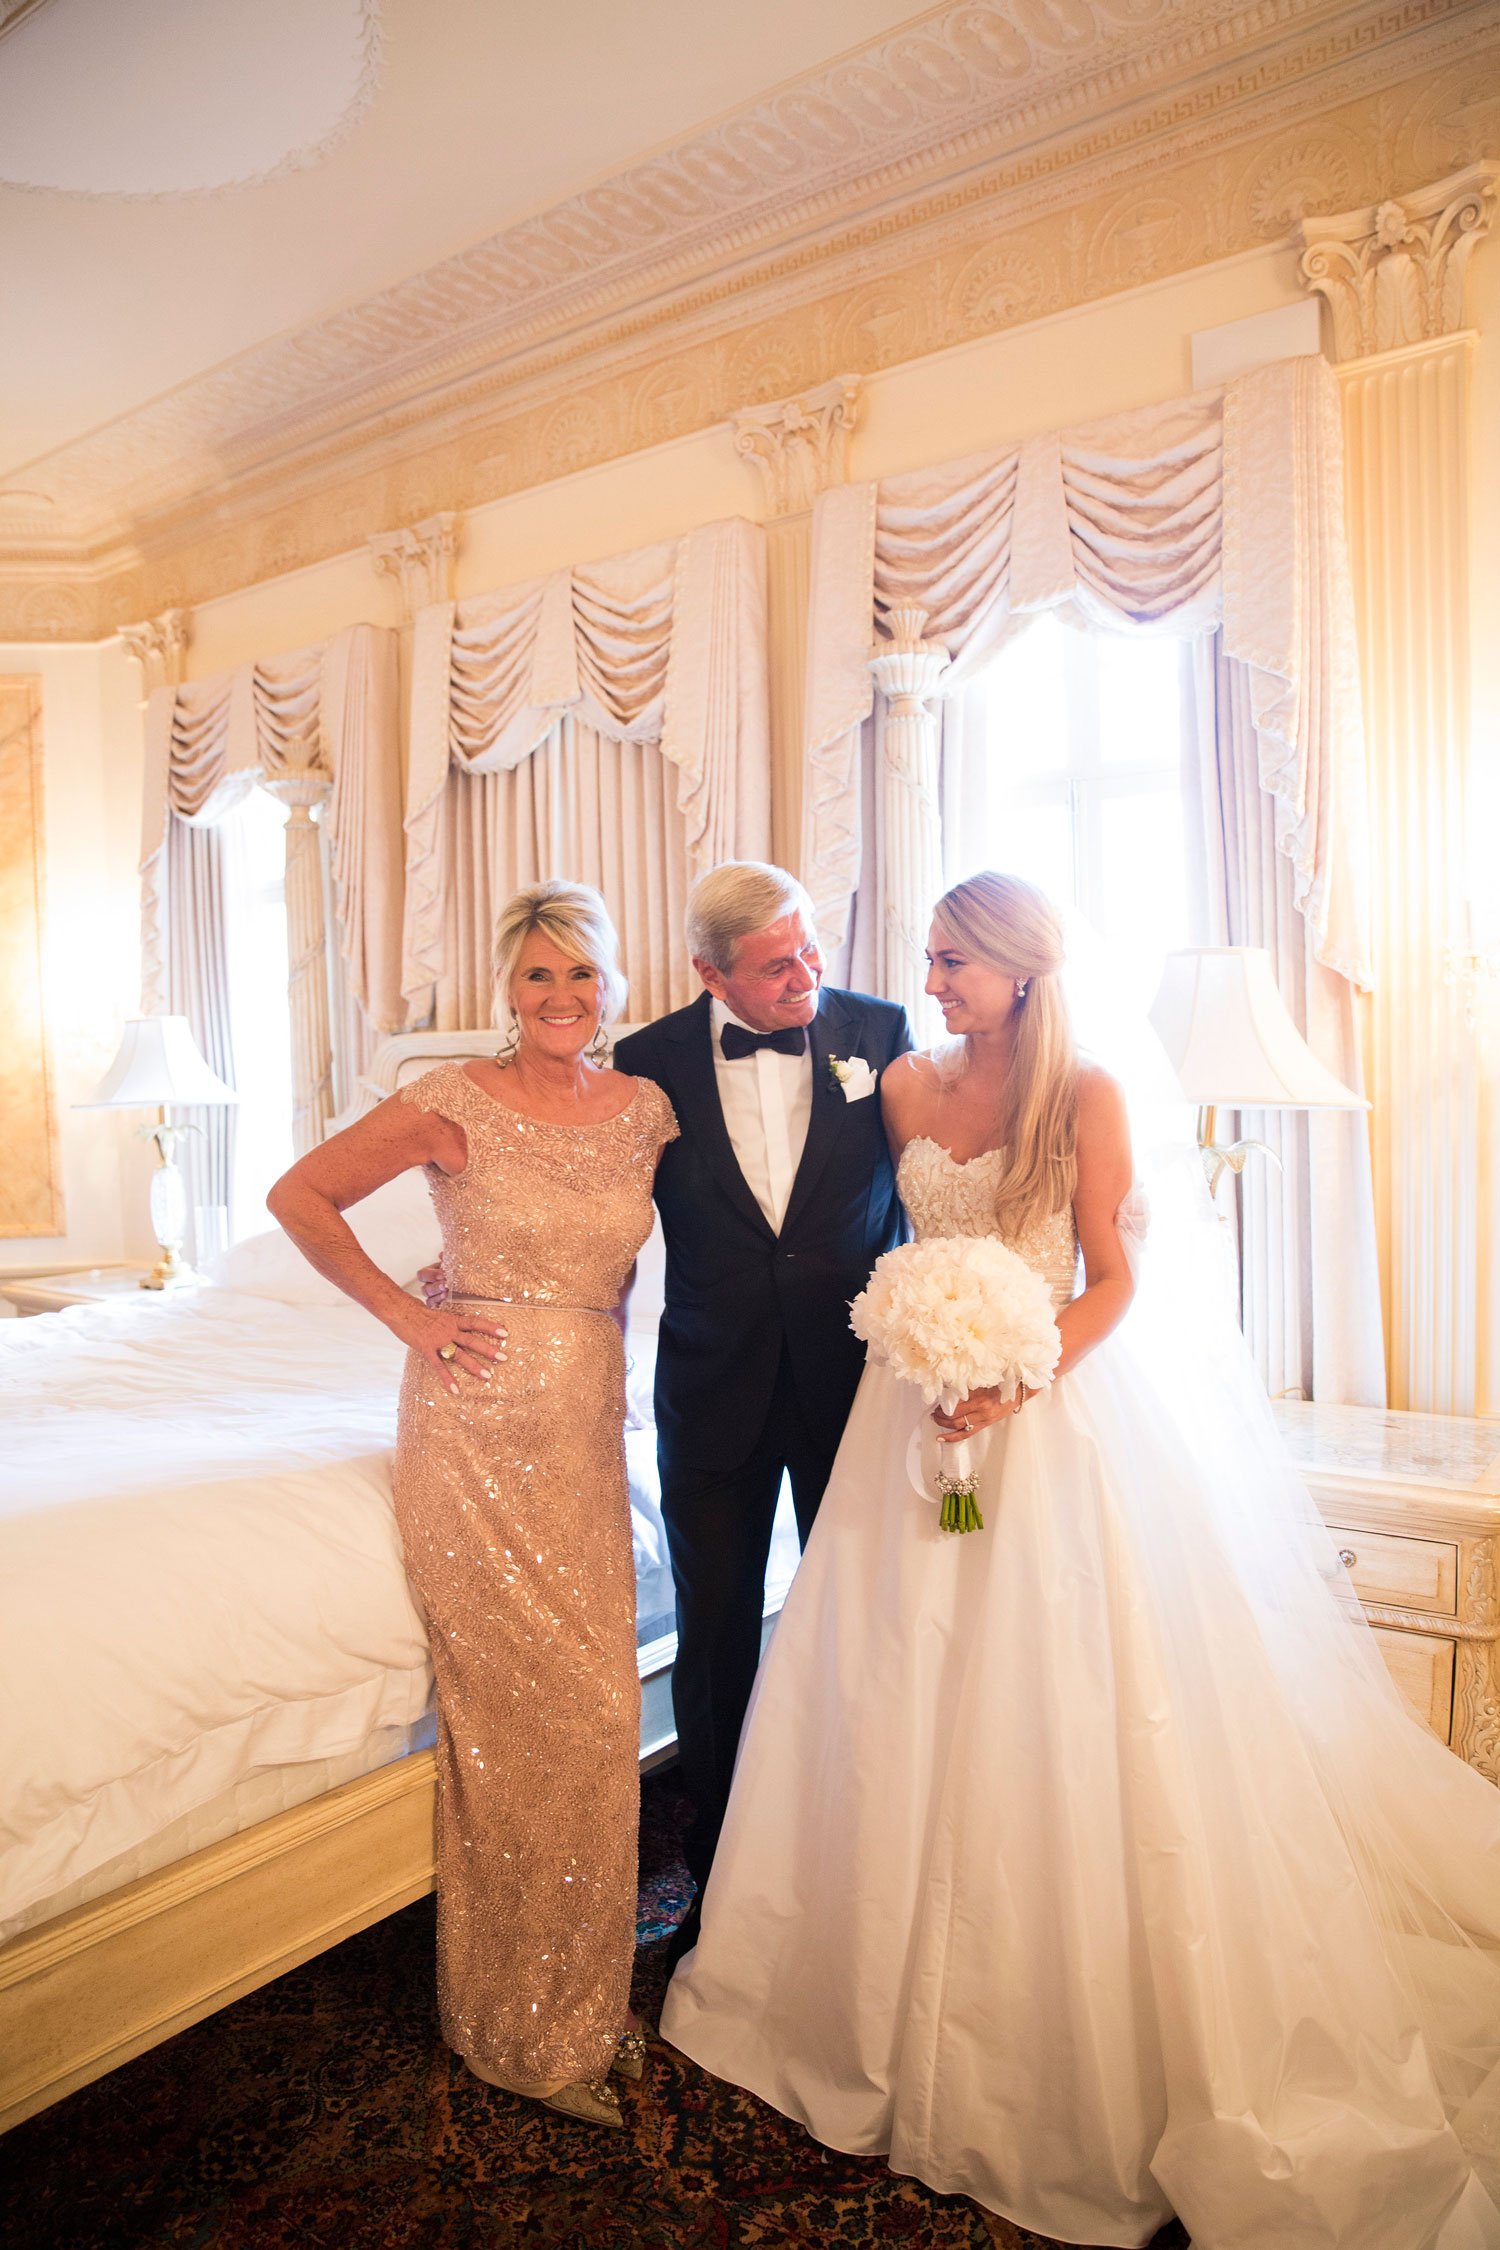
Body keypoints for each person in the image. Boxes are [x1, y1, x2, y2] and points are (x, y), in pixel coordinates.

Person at [663, 870, 1500, 2249]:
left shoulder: (1090, 1093)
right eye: (930, 959)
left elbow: (1112, 1276)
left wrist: (1016, 1371)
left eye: (950, 961)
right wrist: (924, 1343)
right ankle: (845, 1985)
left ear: (1019, 968)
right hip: (908, 1424)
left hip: (1048, 1418)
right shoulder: (909, 1091)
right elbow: (854, 1231)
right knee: (884, 1686)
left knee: (1059, 1707)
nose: (927, 982)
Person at [268, 880, 677, 2129]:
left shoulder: (649, 1109)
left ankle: (578, 2004)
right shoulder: (451, 1099)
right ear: (508, 990)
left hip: (584, 1439)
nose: (562, 997)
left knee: (595, 1718)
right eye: (539, 976)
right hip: (473, 1437)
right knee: (514, 1718)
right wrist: (412, 1313)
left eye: (583, 975)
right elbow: (300, 1198)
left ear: (612, 986)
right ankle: (514, 2032)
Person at [611, 862, 911, 1961]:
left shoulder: (880, 1030)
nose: (809, 975)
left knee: (866, 1624)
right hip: (711, 1389)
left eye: (812, 948)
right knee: (718, 1640)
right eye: (779, 965)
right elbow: (598, 1211)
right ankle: (723, 1883)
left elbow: (932, 1184)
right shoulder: (645, 1062)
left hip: (858, 1393)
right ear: (709, 973)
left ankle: (863, 1873)